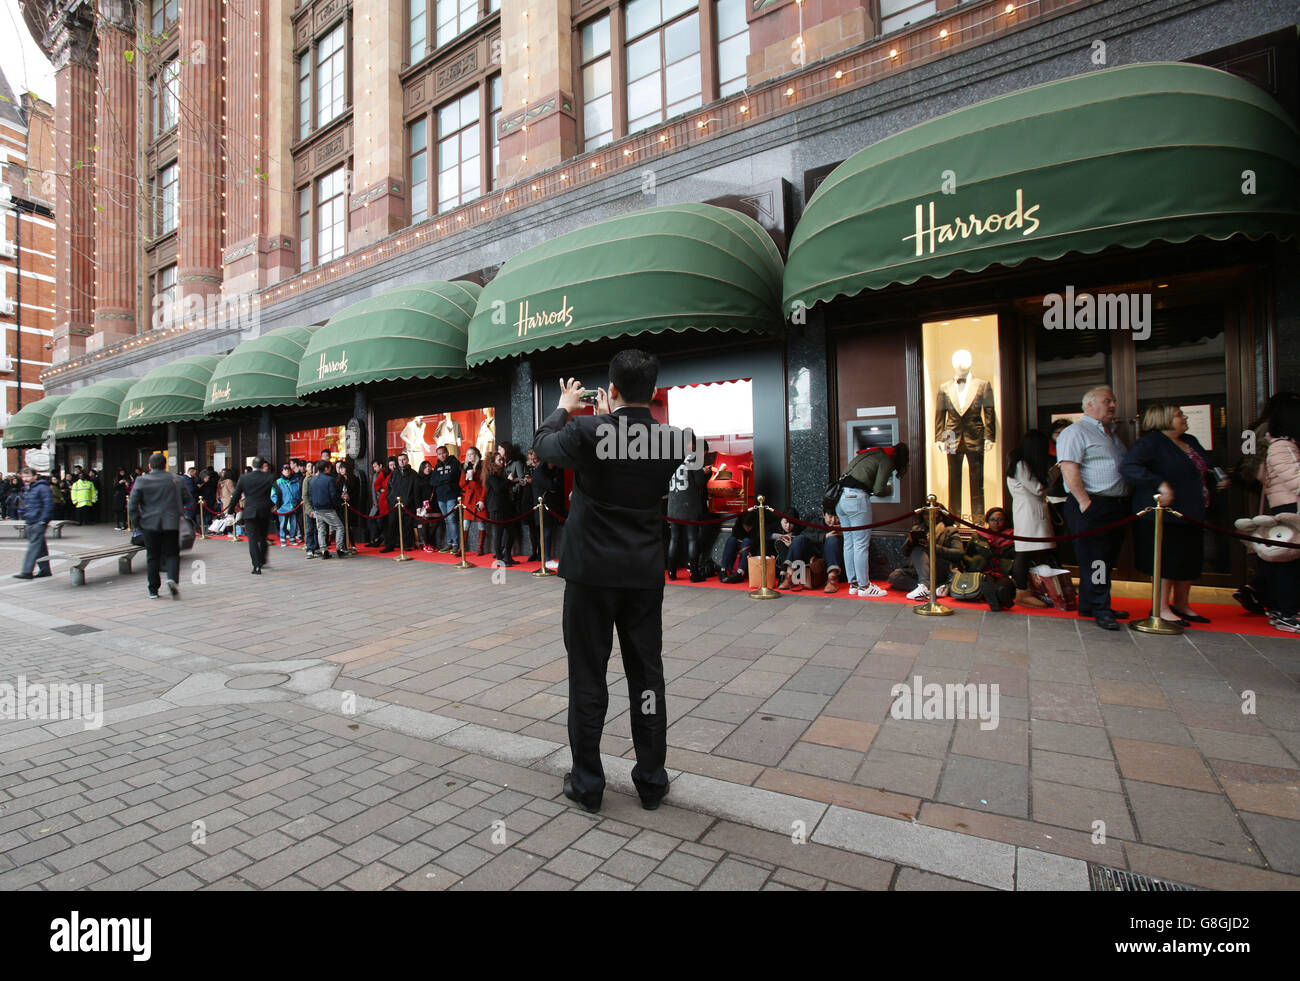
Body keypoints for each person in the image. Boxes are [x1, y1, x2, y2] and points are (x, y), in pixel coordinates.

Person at [532, 350, 682, 814]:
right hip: (641, 574)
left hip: (590, 574)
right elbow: (627, 448)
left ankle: (588, 783)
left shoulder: (583, 430)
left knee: (588, 675)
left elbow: (541, 442)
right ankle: (652, 782)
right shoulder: (674, 441)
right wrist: (606, 420)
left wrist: (565, 405)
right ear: (654, 393)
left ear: (611, 390)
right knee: (647, 676)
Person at [1120, 404, 1227, 626]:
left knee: (1188, 560)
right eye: (1179, 415)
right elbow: (1129, 467)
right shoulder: (1150, 443)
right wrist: (1159, 483)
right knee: (1165, 562)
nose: (1184, 417)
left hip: (1192, 511)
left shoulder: (1190, 440)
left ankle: (1182, 604)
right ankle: (1161, 608)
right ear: (1163, 419)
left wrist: (1220, 475)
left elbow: (1208, 463)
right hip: (1162, 514)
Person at [1056, 387, 1133, 631]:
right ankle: (1101, 607)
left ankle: (1092, 603)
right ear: (1089, 405)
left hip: (1114, 505)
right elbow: (1069, 468)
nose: (1112, 405)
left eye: (1114, 401)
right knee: (1096, 560)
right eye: (1106, 401)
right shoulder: (1076, 431)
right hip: (1092, 504)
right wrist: (1084, 502)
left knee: (1106, 558)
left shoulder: (1110, 434)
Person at [836, 442, 909, 598]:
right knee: (861, 544)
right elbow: (879, 489)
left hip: (841, 499)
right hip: (857, 499)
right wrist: (889, 490)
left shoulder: (869, 452)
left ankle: (853, 585)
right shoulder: (886, 460)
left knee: (849, 542)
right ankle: (865, 586)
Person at [1255, 397, 1300, 632]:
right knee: (1287, 563)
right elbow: (1295, 479)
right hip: (1290, 510)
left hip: (1286, 508)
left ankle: (1281, 609)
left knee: (1284, 562)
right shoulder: (1282, 446)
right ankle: (1287, 613)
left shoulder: (1280, 444)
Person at [128, 452, 191, 599]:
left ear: (149, 466)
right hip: (172, 522)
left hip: (149, 523)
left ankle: (153, 589)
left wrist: (137, 522)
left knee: (152, 556)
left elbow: (132, 505)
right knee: (172, 553)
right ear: (165, 465)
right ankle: (172, 579)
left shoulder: (141, 481)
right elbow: (188, 498)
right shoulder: (177, 479)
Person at [1005, 430, 1056, 608]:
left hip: (1032, 511)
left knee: (1031, 552)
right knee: (1024, 552)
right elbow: (1038, 489)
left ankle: (1035, 588)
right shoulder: (1021, 465)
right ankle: (1022, 591)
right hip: (1028, 512)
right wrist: (1054, 474)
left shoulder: (1021, 463)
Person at [666, 438, 709, 581]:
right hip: (689, 504)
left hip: (673, 504)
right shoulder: (693, 457)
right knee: (692, 538)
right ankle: (694, 574)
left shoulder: (670, 457)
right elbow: (699, 481)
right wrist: (704, 472)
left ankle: (671, 573)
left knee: (674, 539)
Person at [227, 456, 276, 574]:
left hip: (249, 511)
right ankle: (262, 559)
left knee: (253, 540)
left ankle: (256, 566)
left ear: (253, 465)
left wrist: (230, 510)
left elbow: (236, 494)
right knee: (263, 537)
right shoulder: (269, 477)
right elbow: (278, 491)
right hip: (264, 511)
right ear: (262, 465)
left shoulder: (244, 478)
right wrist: (276, 505)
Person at [12, 467, 54, 580]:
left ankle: (26, 571)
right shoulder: (28, 488)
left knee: (33, 546)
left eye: (28, 476)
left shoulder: (42, 488)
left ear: (35, 476)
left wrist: (43, 520)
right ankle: (45, 570)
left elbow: (48, 505)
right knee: (40, 546)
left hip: (38, 521)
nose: (25, 478)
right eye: (24, 476)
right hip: (31, 521)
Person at [530, 448, 563, 568]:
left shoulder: (554, 470)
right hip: (543, 507)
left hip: (550, 507)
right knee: (546, 533)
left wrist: (554, 485)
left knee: (548, 532)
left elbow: (557, 486)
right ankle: (546, 558)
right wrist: (553, 485)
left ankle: (546, 557)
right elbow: (551, 486)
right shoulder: (540, 471)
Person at [307, 461, 346, 559]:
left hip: (317, 508)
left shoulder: (313, 480)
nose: (330, 469)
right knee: (340, 527)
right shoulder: (329, 479)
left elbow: (310, 496)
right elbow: (333, 495)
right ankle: (339, 549)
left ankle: (324, 550)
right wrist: (337, 504)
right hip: (328, 508)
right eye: (329, 467)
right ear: (326, 468)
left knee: (321, 529)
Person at [485, 449, 516, 566]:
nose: (502, 462)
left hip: (506, 507)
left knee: (511, 533)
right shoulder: (491, 475)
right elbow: (498, 488)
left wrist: (515, 481)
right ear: (493, 462)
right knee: (498, 534)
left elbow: (504, 485)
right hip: (496, 508)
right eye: (499, 460)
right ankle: (499, 559)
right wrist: (509, 481)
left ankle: (507, 555)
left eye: (502, 459)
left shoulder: (501, 473)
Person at [383, 452, 419, 554]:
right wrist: (390, 500)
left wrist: (416, 505)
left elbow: (416, 491)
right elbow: (389, 488)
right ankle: (390, 545)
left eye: (403, 459)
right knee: (392, 524)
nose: (402, 462)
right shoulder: (394, 474)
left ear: (407, 460)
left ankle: (408, 545)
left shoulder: (413, 474)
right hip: (394, 504)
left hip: (408, 504)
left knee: (407, 525)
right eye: (400, 460)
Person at [429, 445, 462, 553]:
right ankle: (449, 542)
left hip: (451, 495)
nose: (442, 455)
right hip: (441, 497)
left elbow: (452, 476)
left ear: (447, 453)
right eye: (439, 454)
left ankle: (455, 544)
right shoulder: (437, 466)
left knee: (451, 519)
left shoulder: (454, 462)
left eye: (443, 453)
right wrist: (444, 480)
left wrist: (441, 480)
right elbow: (433, 481)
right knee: (446, 520)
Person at [461, 447, 487, 555]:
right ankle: (462, 548)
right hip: (469, 499)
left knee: (481, 523)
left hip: (480, 497)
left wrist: (482, 500)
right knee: (465, 524)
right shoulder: (464, 466)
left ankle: (480, 548)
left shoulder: (483, 465)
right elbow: (461, 485)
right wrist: (467, 479)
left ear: (477, 454)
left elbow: (485, 485)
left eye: (472, 454)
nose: (470, 456)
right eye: (468, 454)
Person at [272, 463, 302, 548]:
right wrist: (278, 503)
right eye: (285, 469)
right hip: (283, 507)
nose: (287, 470)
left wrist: (298, 500)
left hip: (294, 506)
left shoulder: (296, 480)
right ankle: (283, 539)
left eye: (288, 468)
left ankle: (292, 539)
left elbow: (299, 492)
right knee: (283, 524)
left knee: (294, 523)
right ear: (282, 471)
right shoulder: (278, 482)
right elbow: (273, 495)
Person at [367, 459, 390, 547]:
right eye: (373, 467)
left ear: (380, 465)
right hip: (377, 502)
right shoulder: (376, 475)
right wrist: (375, 501)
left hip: (383, 501)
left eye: (375, 466)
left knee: (380, 521)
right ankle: (375, 539)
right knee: (372, 520)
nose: (374, 468)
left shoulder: (385, 473)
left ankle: (377, 539)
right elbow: (373, 489)